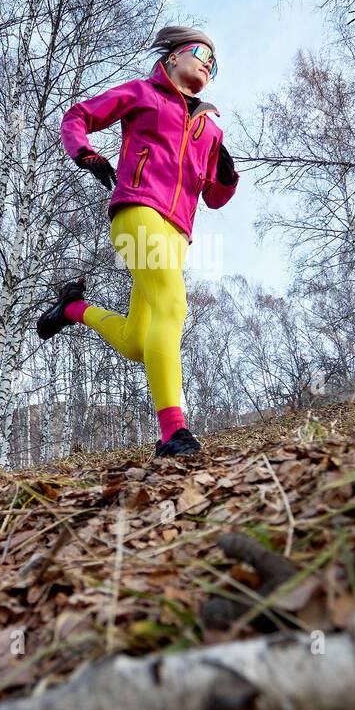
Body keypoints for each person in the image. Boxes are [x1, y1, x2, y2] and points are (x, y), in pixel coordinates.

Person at [36, 26, 239, 458]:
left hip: (178, 233)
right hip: (138, 212)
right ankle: (173, 432)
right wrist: (85, 153)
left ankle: (71, 307)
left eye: (215, 63)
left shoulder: (210, 128)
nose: (208, 62)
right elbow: (77, 116)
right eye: (201, 52)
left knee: (136, 342)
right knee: (173, 306)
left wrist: (227, 175)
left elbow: (215, 197)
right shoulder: (143, 93)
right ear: (171, 58)